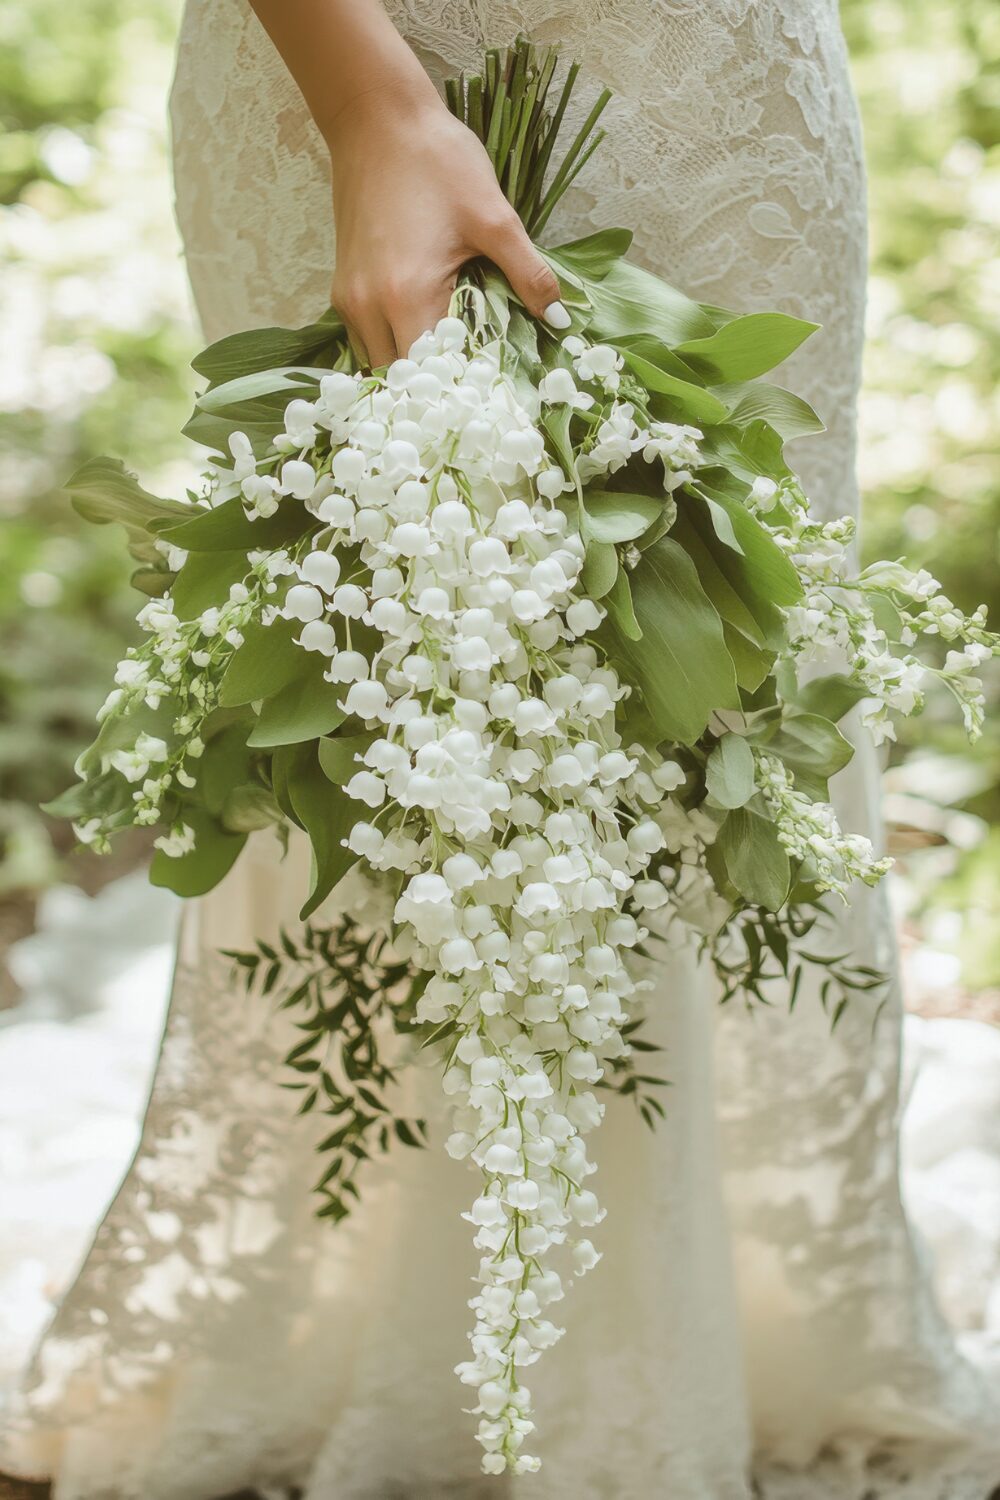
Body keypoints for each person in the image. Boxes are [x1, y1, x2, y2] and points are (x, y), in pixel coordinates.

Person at [2, 2, 998, 1496]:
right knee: (367, 656)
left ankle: (713, 1335)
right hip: (344, 61)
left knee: (725, 653)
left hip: (717, 79)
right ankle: (366, 1318)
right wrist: (373, 109)